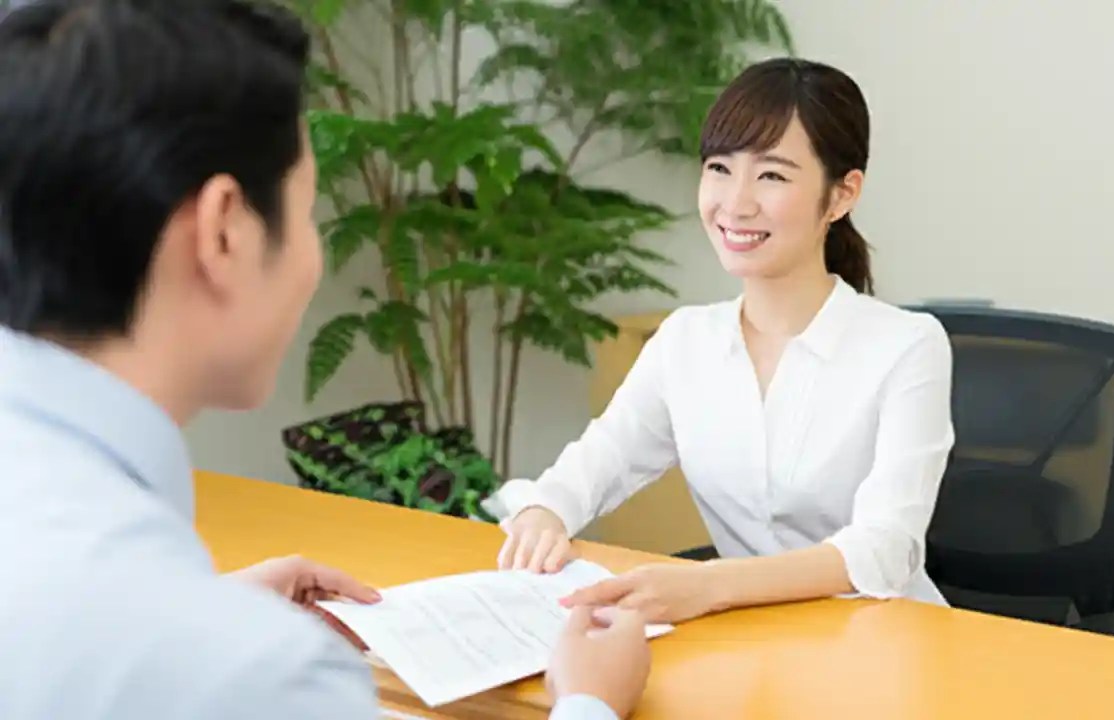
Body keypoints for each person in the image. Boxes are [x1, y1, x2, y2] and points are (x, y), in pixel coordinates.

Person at [0, 1, 647, 719]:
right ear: (225, 233)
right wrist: (589, 702)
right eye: (306, 212)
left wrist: (209, 611)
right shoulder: (249, 671)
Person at [493, 57, 956, 623]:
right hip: (748, 639)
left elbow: (885, 549)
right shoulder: (686, 341)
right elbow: (599, 462)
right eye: (719, 168)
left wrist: (710, 585)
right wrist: (544, 513)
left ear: (841, 196)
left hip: (883, 640)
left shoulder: (908, 347)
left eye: (773, 175)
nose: (735, 203)